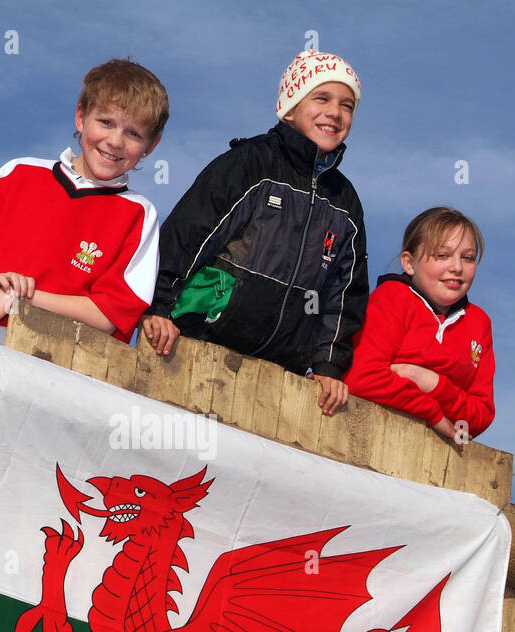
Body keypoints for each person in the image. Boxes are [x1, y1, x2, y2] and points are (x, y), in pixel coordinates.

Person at [141, 50, 368, 415]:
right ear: (290, 108)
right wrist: (159, 308)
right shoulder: (250, 164)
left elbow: (345, 294)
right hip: (198, 345)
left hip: (279, 376)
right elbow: (187, 235)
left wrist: (328, 366)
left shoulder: (345, 204)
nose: (335, 112)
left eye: (347, 105)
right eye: (321, 98)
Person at [0, 59, 168, 344]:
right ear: (80, 116)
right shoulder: (19, 173)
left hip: (64, 367)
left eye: (133, 133)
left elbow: (108, 315)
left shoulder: (140, 214)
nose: (115, 140)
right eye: (106, 122)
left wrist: (15, 300)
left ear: (151, 146)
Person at [344, 207, 495, 443]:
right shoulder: (391, 298)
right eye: (442, 255)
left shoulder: (479, 323)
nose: (456, 267)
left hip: (433, 468)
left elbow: (479, 417)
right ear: (409, 263)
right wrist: (432, 413)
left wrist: (426, 380)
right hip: (365, 442)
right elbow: (361, 378)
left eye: (467, 257)